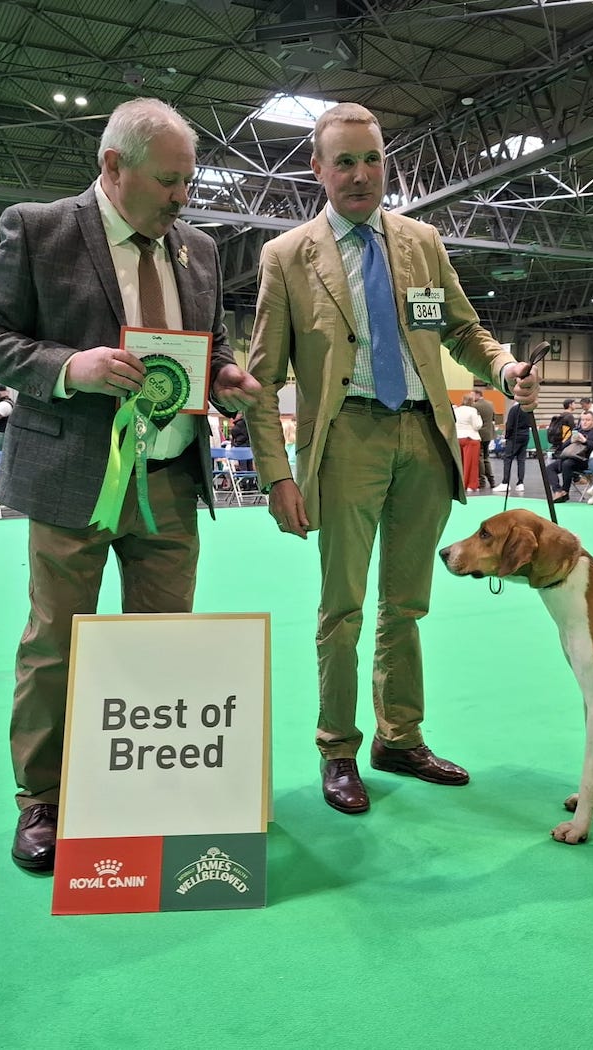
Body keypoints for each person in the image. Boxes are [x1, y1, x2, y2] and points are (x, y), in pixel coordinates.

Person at [0, 97, 260, 873]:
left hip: (169, 479)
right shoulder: (39, 228)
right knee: (56, 644)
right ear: (112, 167)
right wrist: (70, 367)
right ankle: (43, 801)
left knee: (162, 649)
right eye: (168, 182)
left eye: (189, 182)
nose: (181, 198)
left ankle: (144, 789)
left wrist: (225, 377)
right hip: (73, 479)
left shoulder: (197, 247)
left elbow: (211, 341)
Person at [242, 101, 538, 816]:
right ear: (316, 170)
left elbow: (461, 329)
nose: (359, 174)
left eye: (371, 159)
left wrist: (503, 370)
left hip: (424, 438)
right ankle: (337, 747)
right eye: (343, 161)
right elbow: (261, 375)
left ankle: (399, 737)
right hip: (345, 440)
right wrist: (278, 474)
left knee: (406, 603)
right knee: (341, 607)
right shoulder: (286, 257)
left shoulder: (422, 242)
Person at [494, 399, 533, 494]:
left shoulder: (514, 409)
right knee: (521, 460)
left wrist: (506, 437)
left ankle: (505, 482)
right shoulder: (529, 409)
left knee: (508, 459)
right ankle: (520, 483)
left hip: (514, 437)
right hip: (525, 435)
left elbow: (510, 425)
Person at [453, 392, 482, 494]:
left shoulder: (456, 410)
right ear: (472, 401)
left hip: (457, 438)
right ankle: (471, 485)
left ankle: (459, 485)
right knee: (471, 464)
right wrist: (479, 417)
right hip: (471, 438)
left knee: (460, 463)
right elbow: (477, 426)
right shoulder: (473, 410)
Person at [472, 389, 496, 490]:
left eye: (472, 395)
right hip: (489, 434)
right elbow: (493, 418)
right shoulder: (490, 404)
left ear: (478, 395)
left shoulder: (475, 406)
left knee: (480, 459)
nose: (472, 397)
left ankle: (482, 481)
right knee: (486, 457)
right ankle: (492, 480)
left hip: (479, 434)